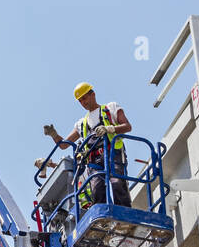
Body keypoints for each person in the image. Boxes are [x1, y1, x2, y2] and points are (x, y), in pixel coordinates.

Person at [44, 82, 133, 217]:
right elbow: (64, 145)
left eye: (84, 98)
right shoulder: (81, 123)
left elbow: (127, 126)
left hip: (112, 153)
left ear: (93, 94)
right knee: (97, 188)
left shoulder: (111, 108)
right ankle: (103, 218)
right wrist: (54, 135)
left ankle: (125, 215)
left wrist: (110, 128)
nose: (83, 102)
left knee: (117, 183)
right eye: (80, 101)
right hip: (94, 160)